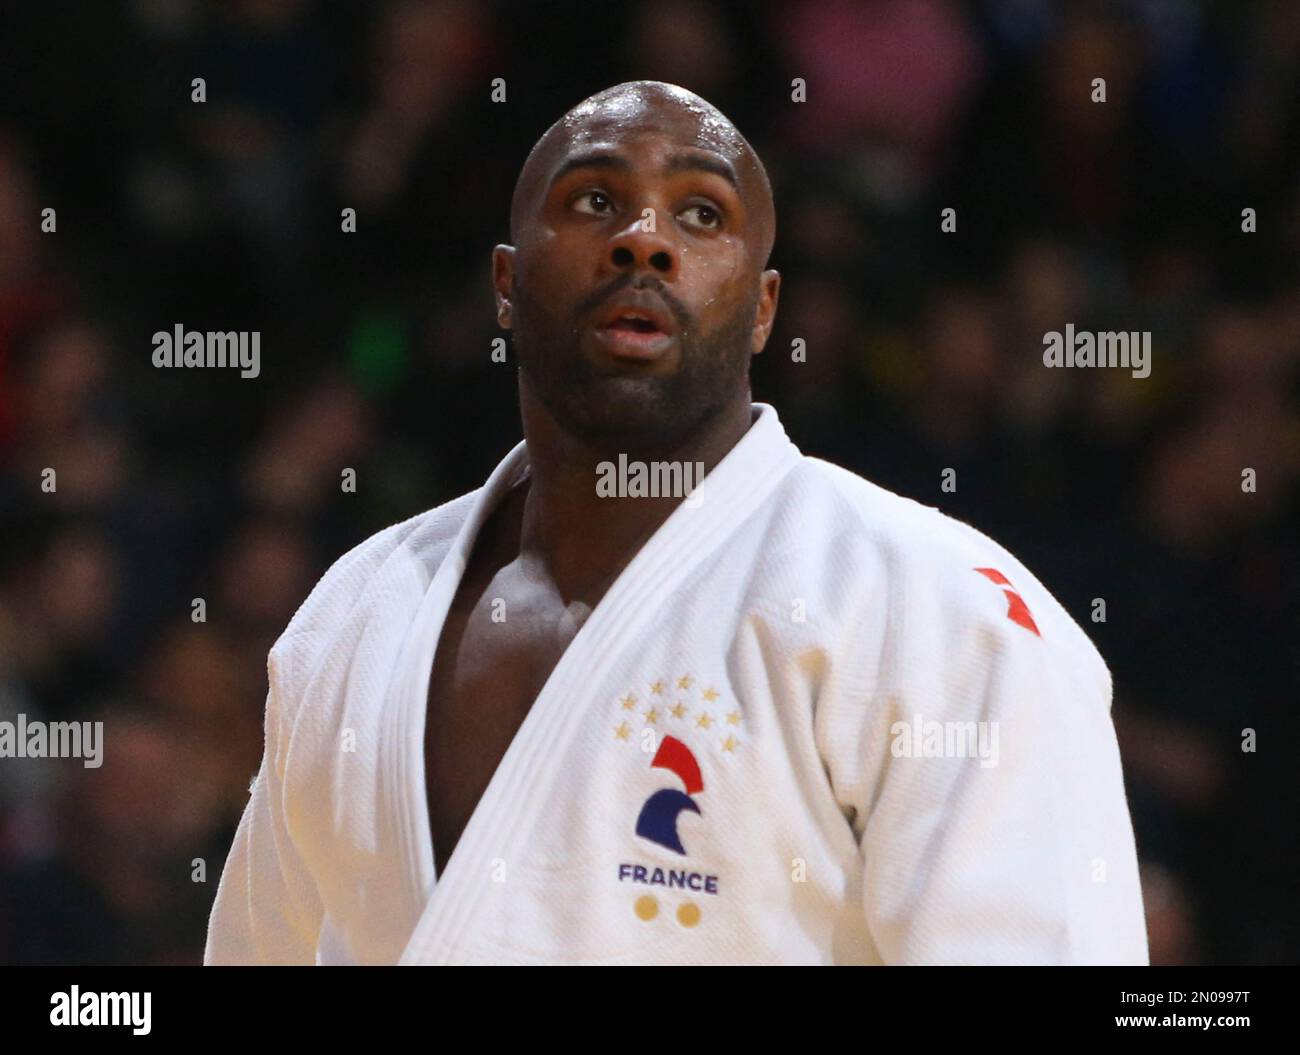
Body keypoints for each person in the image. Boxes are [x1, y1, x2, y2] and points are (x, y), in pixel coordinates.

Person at [205, 81, 1147, 965]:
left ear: (764, 308)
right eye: (592, 202)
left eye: (702, 214)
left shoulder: (939, 612)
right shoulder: (360, 609)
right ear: (505, 281)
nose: (644, 242)